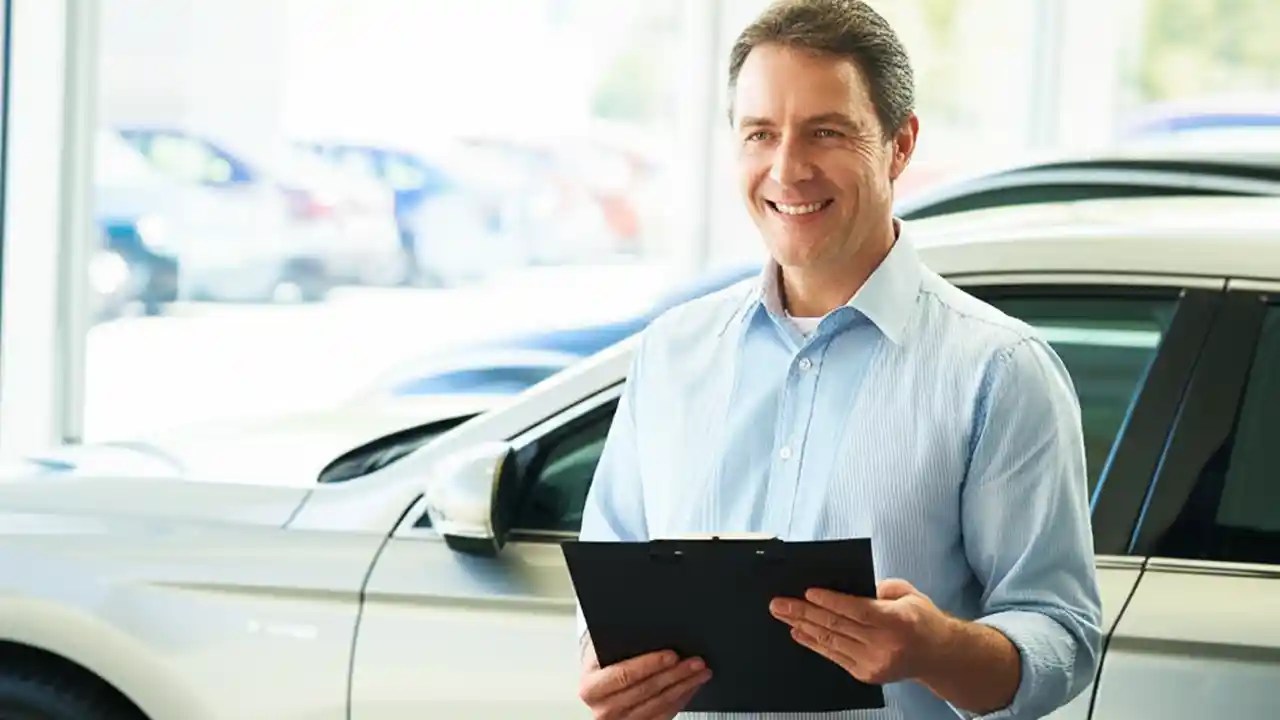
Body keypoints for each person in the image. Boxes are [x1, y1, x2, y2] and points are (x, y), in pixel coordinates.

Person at [573, 0, 1102, 717]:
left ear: (899, 145)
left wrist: (935, 648)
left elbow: (1062, 638)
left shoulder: (1000, 371)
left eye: (826, 132)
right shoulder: (671, 353)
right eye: (761, 133)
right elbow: (610, 592)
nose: (787, 170)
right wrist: (611, 673)